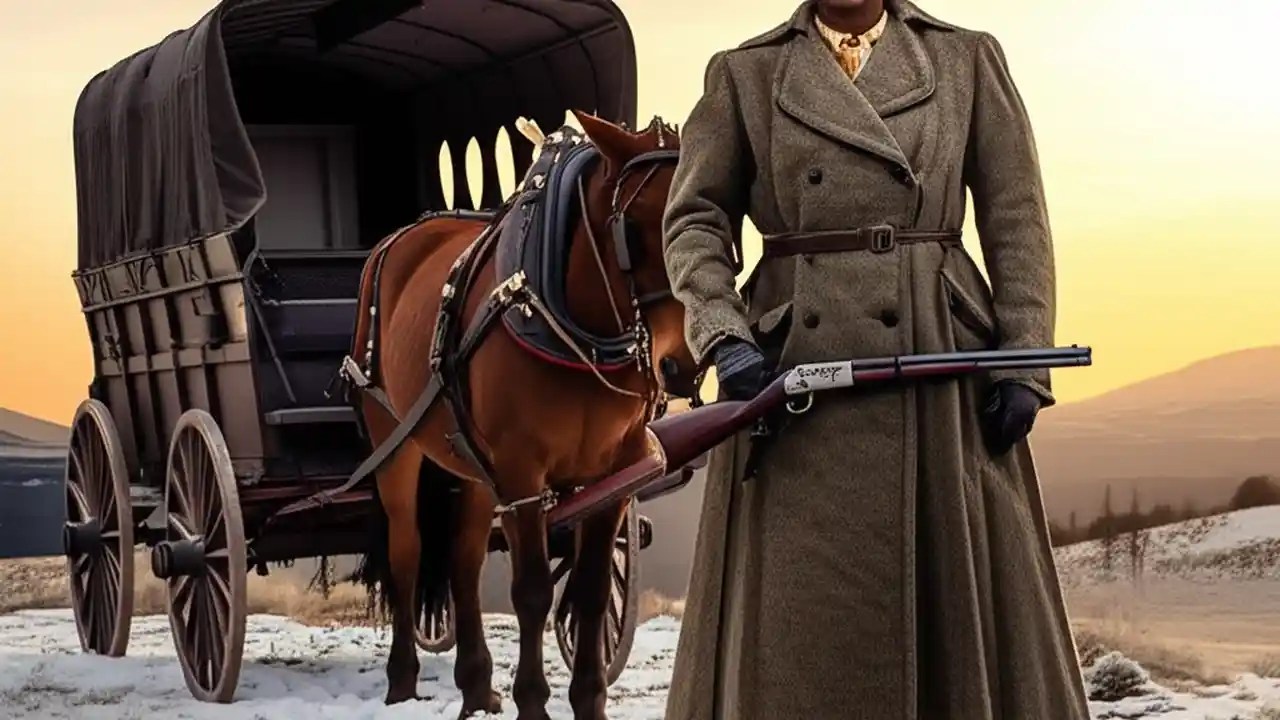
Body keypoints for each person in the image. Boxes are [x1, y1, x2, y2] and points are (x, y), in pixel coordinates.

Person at [661, 0, 1092, 718]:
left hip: (935, 358)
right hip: (790, 372)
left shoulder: (967, 58)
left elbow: (1017, 218)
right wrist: (724, 335)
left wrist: (1022, 360)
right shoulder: (744, 73)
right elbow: (694, 221)